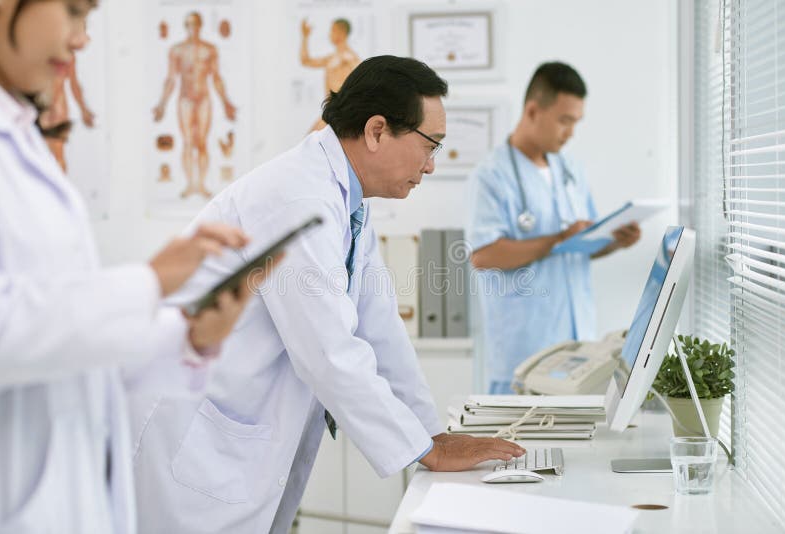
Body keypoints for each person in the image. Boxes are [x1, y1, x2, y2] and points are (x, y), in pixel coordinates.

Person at [131, 55, 525, 534]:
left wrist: (431, 433)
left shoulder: (346, 200)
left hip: (233, 435)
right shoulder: (297, 197)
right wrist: (427, 450)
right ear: (377, 131)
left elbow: (378, 328)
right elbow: (329, 351)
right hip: (194, 439)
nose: (431, 164)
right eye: (429, 145)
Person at [0, 1, 273, 532]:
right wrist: (150, 282)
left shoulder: (24, 136)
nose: (81, 39)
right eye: (73, 12)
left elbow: (70, 344)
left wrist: (188, 335)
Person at [467, 62, 641, 394]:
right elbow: (484, 255)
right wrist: (558, 239)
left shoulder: (570, 170)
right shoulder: (491, 175)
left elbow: (580, 246)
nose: (571, 132)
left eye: (576, 122)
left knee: (570, 443)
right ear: (533, 110)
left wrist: (615, 241)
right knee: (515, 446)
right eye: (564, 120)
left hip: (579, 350)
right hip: (524, 353)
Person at [153, 11, 236, 199]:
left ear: (200, 25)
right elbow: (171, 79)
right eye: (189, 24)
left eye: (196, 24)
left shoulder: (210, 49)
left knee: (202, 143)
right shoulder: (177, 50)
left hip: (204, 99)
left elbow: (216, 78)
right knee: (188, 142)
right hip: (185, 100)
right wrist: (161, 105)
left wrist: (226, 103)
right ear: (185, 26)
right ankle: (191, 184)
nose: (193, 28)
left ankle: (201, 184)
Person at [300, 17, 360, 131]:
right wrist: (305, 37)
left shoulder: (350, 59)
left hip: (341, 114)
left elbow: (361, 83)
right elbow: (305, 60)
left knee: (312, 141)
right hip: (331, 113)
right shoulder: (331, 59)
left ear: (341, 33)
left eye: (332, 30)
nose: (329, 34)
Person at [37, 54, 94, 171]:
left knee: (57, 153)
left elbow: (74, 84)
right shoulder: (37, 49)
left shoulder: (67, 55)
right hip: (42, 107)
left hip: (57, 108)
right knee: (41, 154)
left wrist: (83, 109)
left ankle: (56, 187)